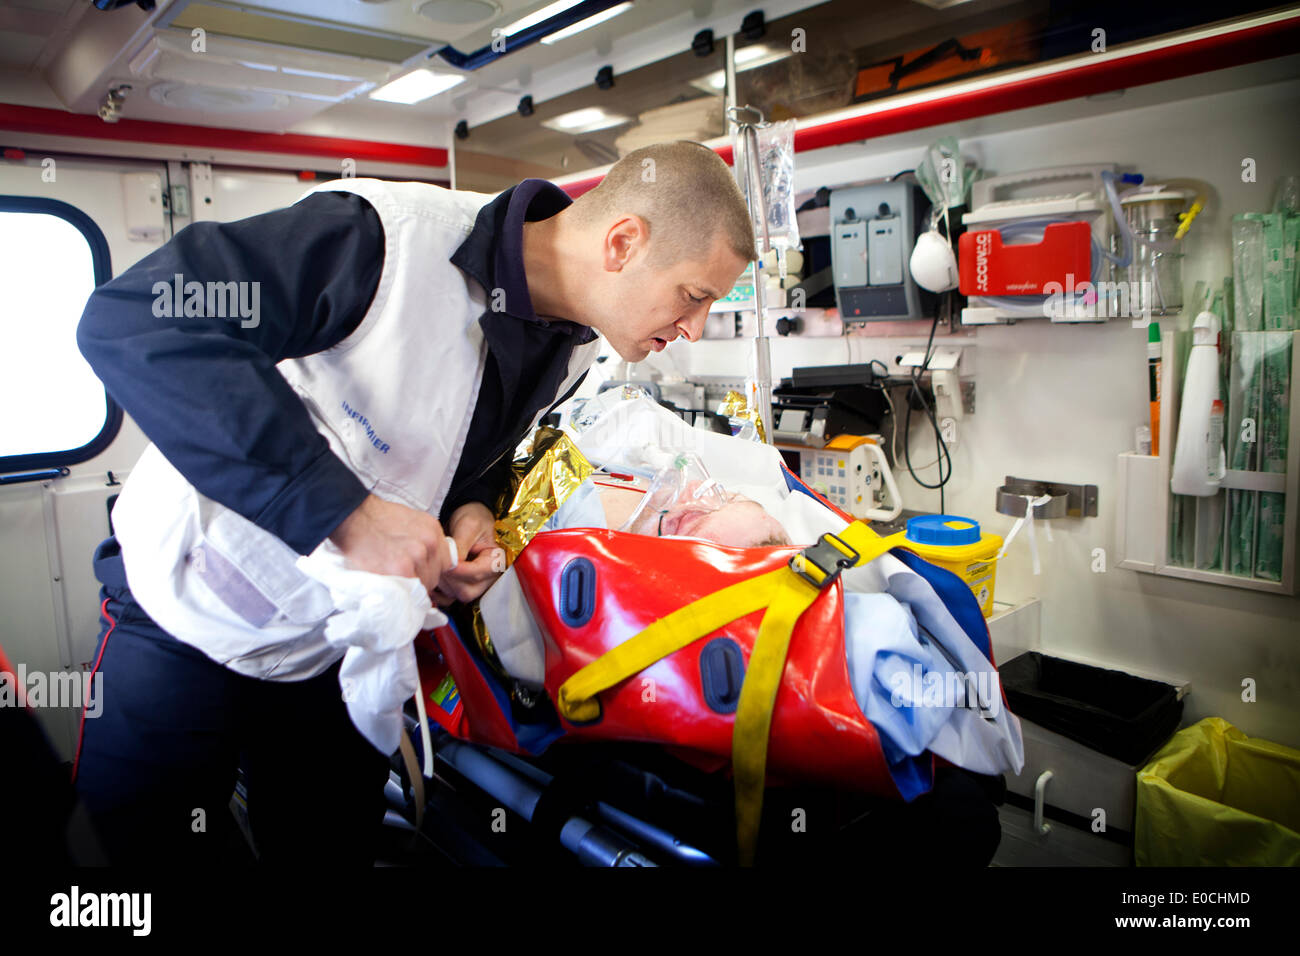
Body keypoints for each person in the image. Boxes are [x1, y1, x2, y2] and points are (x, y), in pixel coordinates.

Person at [70, 141, 757, 865]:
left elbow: (459, 451)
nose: (695, 328)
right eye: (694, 295)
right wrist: (347, 514)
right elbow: (137, 319)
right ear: (624, 242)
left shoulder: (574, 343)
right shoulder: (381, 240)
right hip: (185, 614)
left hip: (330, 648)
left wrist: (470, 514)